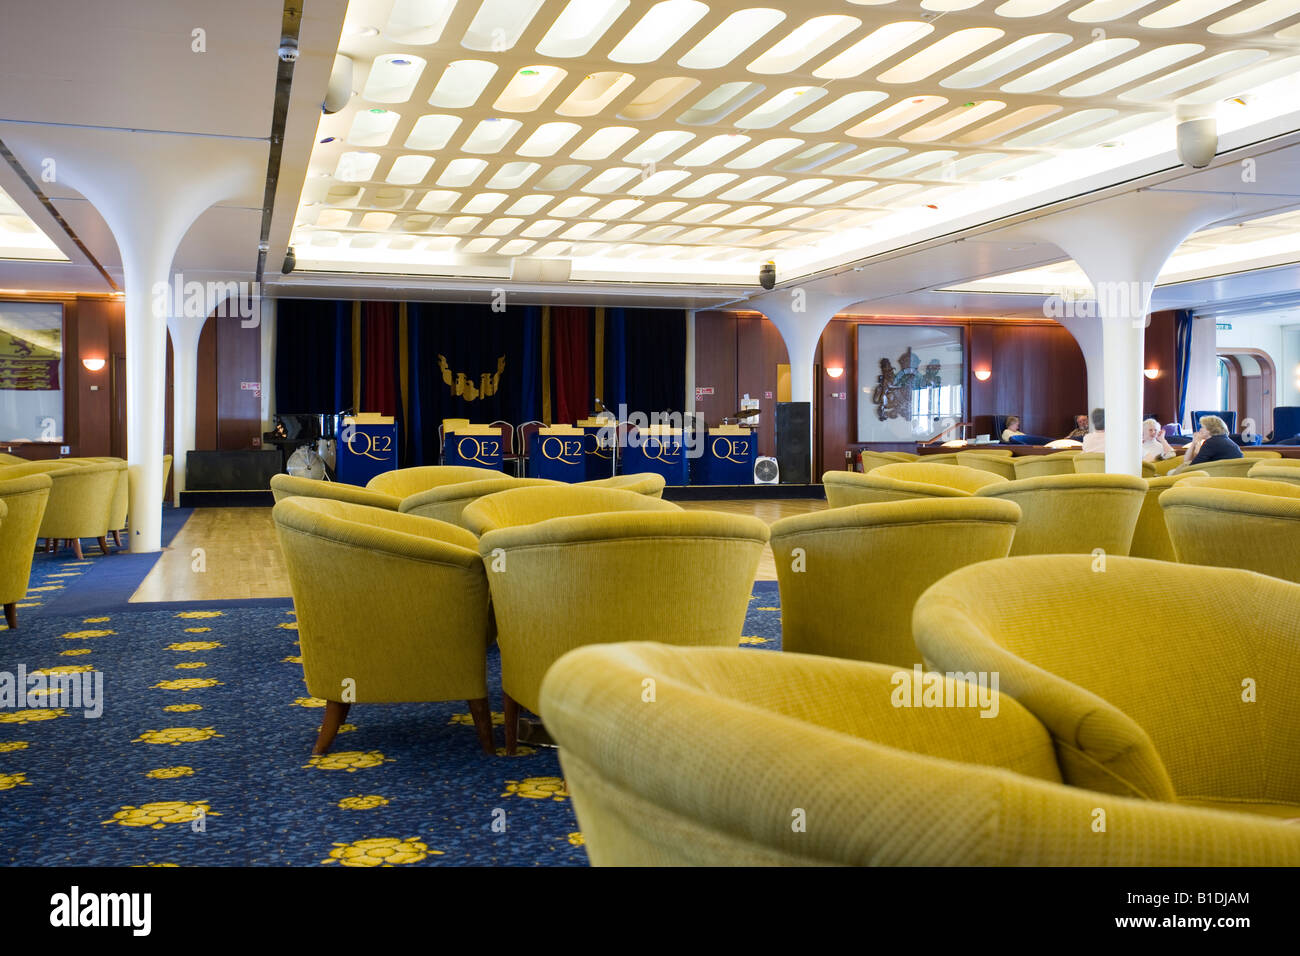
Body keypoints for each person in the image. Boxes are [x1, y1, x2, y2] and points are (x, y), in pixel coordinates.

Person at [1172, 415, 1243, 473]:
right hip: (1228, 475)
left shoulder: (1211, 443)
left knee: (1173, 472)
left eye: (1203, 427)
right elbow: (1191, 461)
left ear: (1210, 429)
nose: (1200, 430)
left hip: (1216, 476)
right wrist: (1194, 442)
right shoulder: (1226, 441)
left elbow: (1193, 466)